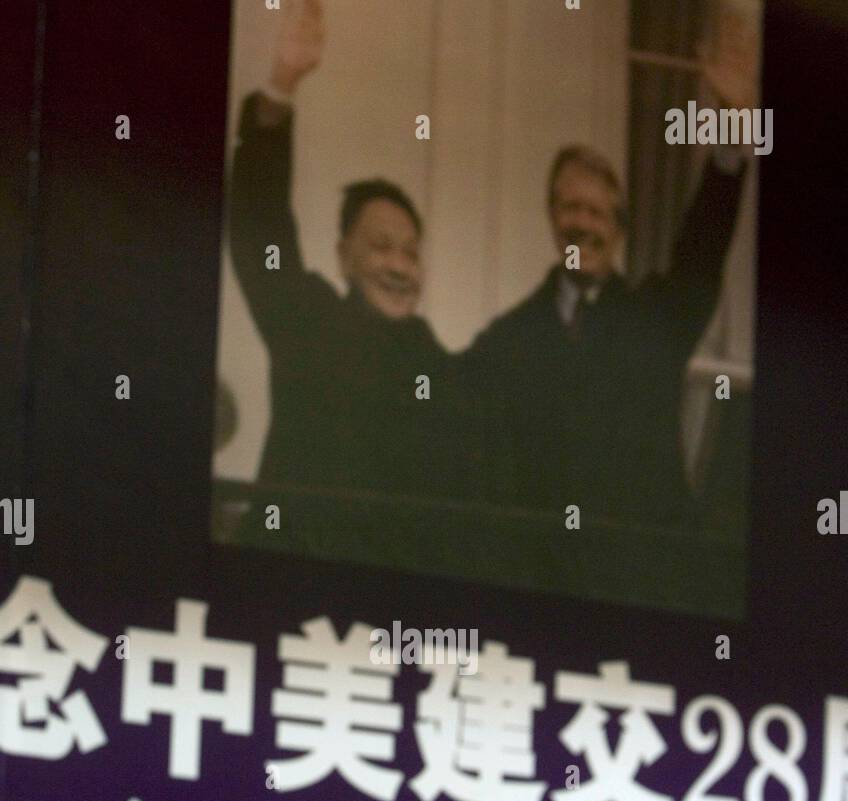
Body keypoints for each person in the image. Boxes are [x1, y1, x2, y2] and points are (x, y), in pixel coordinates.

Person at [464, 15, 758, 531]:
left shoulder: (657, 323)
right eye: (570, 208)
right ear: (552, 218)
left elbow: (701, 252)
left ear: (619, 230)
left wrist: (732, 131)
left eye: (597, 213)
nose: (582, 224)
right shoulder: (506, 341)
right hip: (545, 579)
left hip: (643, 577)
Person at [229, 0, 468, 561]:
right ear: (343, 258)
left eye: (411, 252)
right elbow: (257, 231)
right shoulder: (308, 321)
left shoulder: (434, 362)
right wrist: (282, 86)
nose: (399, 265)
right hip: (286, 583)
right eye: (381, 246)